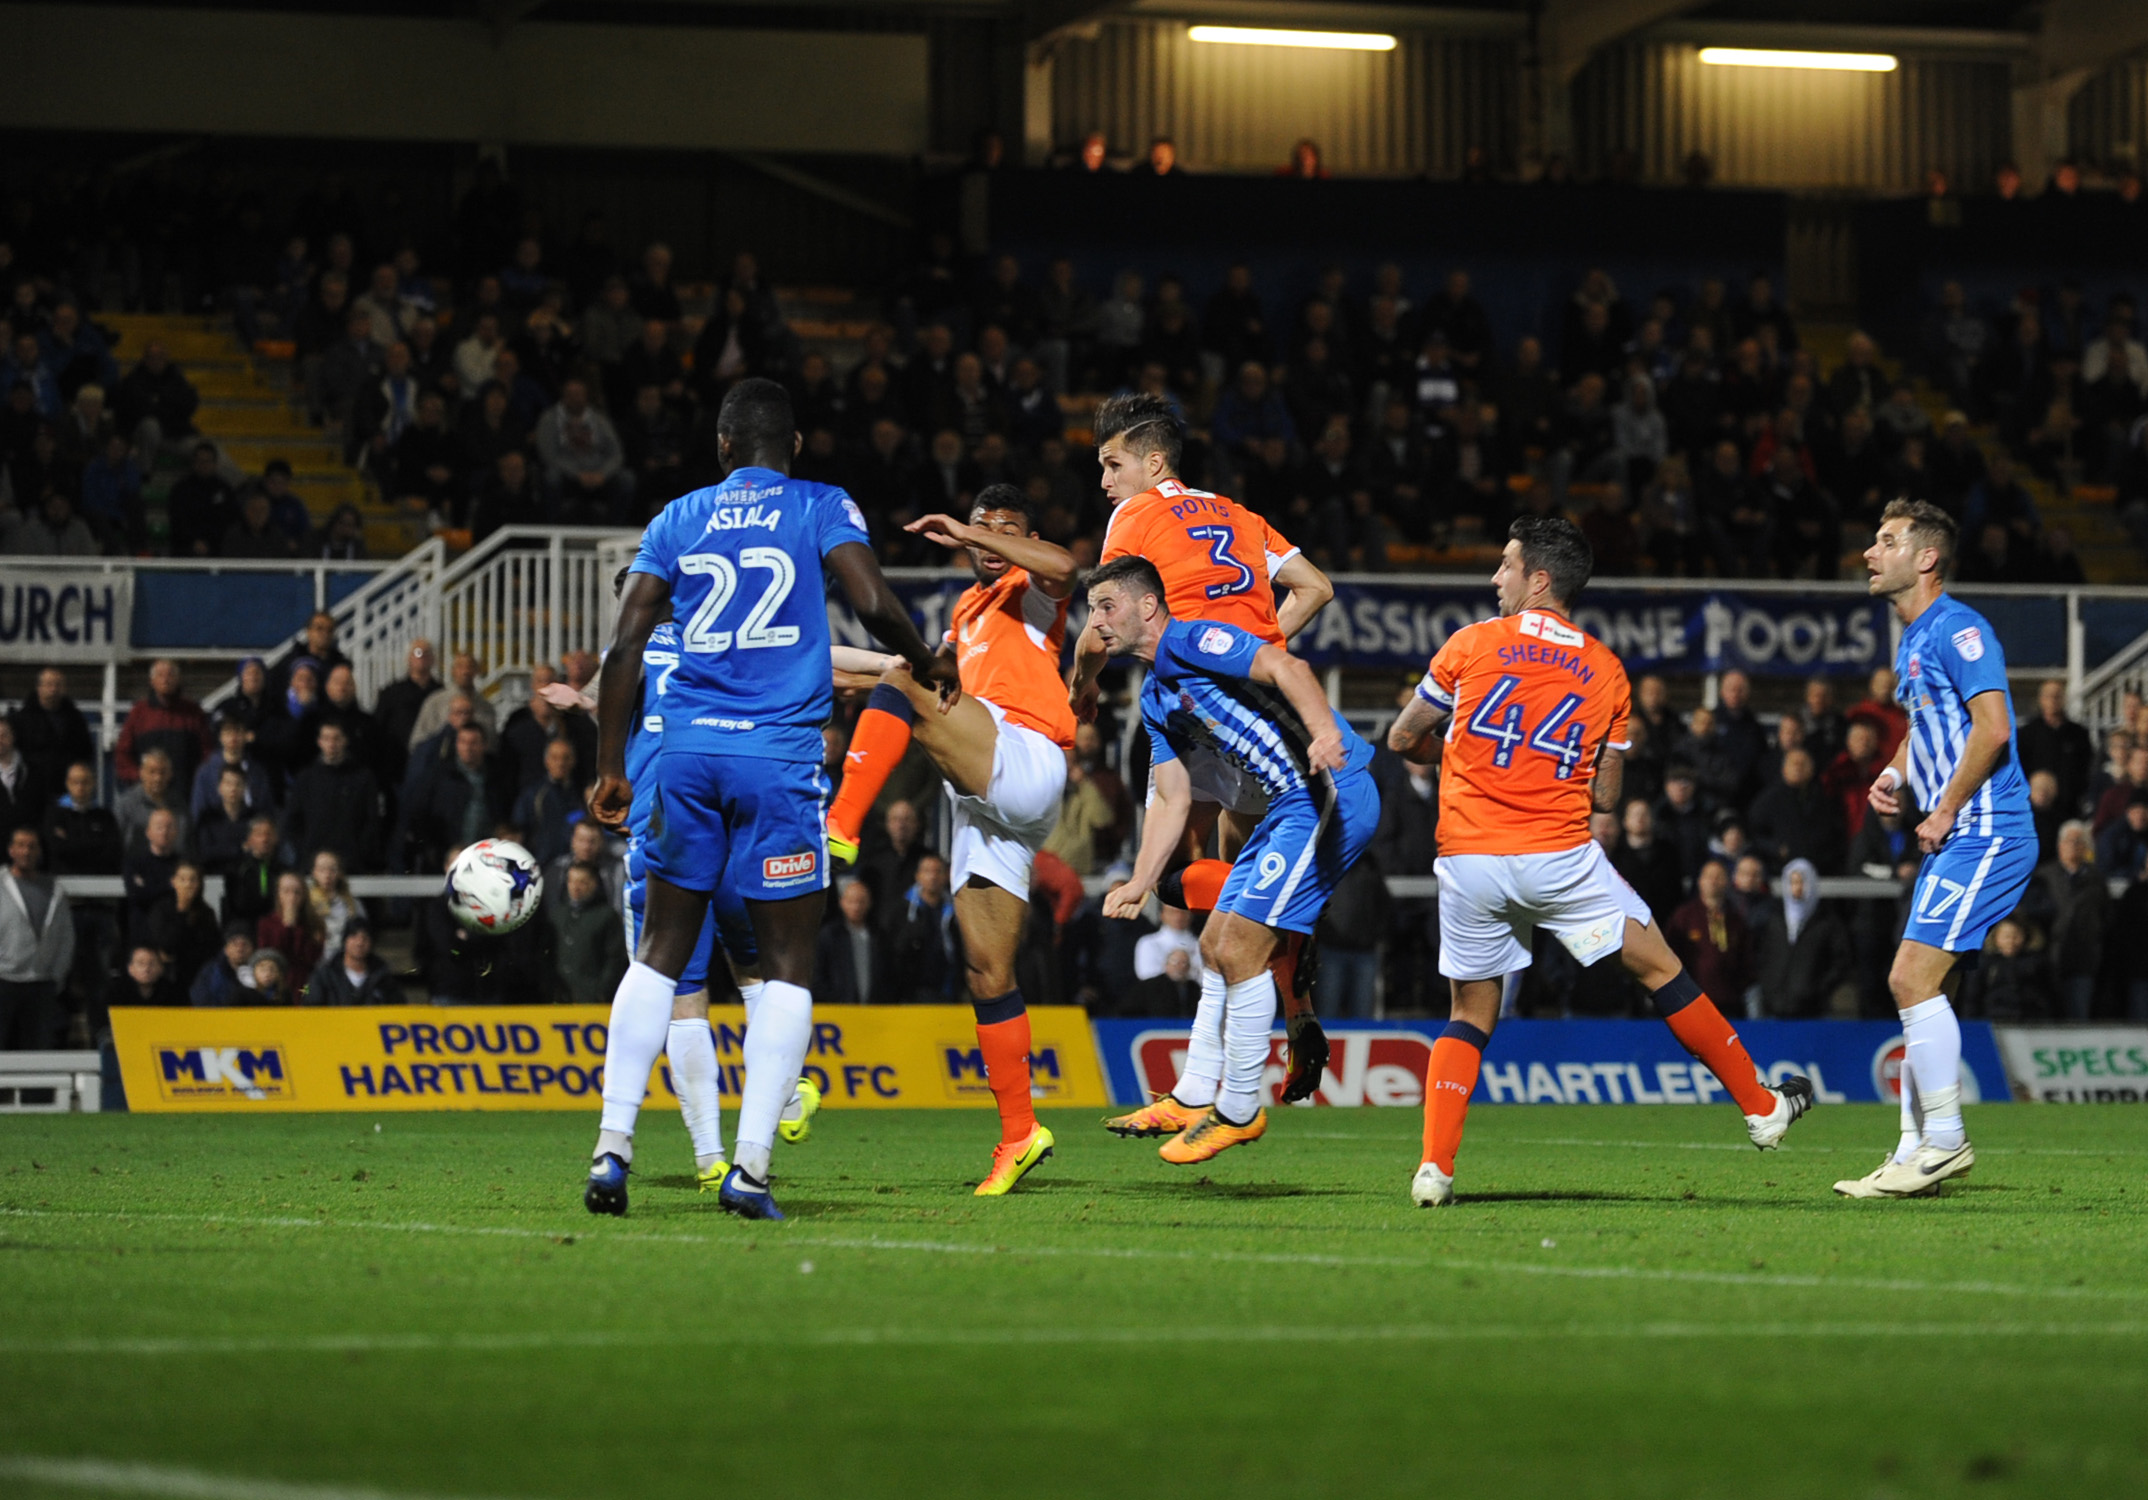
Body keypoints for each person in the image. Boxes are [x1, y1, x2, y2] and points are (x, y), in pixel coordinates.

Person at [584, 376, 950, 1219]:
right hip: (777, 760)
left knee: (661, 955)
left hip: (682, 758)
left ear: (720, 448)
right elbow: (869, 601)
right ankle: (748, 1168)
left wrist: (610, 765)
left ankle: (612, 1149)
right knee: (784, 966)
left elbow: (626, 645)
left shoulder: (676, 517)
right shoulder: (821, 503)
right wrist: (925, 658)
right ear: (794, 446)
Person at [1384, 516, 1810, 1206]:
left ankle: (1435, 1168)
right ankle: (1761, 1107)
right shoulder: (1607, 670)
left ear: (1539, 579)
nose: (1497, 577)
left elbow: (1404, 737)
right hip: (1558, 860)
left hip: (1470, 859)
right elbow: (1608, 796)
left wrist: (1464, 757)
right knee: (1661, 967)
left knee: (1470, 1011)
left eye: (1506, 565)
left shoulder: (1469, 644)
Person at [1065, 392, 1337, 1085]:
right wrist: (1258, 652)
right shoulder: (1234, 512)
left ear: (1154, 462)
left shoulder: (1133, 515)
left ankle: (1224, 1064)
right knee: (1242, 862)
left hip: (1195, 708)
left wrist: (1082, 687)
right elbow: (1315, 587)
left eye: (1113, 463)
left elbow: (1106, 619)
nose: (1105, 482)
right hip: (1263, 705)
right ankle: (1295, 995)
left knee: (1176, 881)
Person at [820, 484, 1077, 1191]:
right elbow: (894, 672)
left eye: (1005, 528)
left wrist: (979, 532)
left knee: (903, 684)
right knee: (986, 971)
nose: (989, 537)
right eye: (981, 527)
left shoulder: (1032, 590)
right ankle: (1020, 1133)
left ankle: (839, 826)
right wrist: (796, 656)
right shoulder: (965, 615)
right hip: (983, 799)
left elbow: (1063, 565)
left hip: (1024, 757)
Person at [1089, 554, 1381, 1164]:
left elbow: (1284, 662)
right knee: (1217, 942)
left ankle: (1241, 1108)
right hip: (1287, 808)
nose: (1096, 623)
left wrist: (1324, 731)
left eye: (1106, 607)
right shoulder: (1156, 697)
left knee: (1241, 946)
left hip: (1328, 790)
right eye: (1092, 611)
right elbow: (1172, 799)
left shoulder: (1194, 640)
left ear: (1148, 606)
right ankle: (1195, 1094)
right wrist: (1140, 880)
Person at [1837, 500, 2037, 1198]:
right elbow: (1927, 730)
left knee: (1908, 979)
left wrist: (1945, 805)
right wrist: (1894, 774)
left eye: (1886, 541)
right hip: (1960, 834)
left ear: (1925, 559)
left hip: (1986, 830)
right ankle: (1911, 1149)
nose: (1870, 552)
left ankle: (1946, 1142)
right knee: (1931, 989)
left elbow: (1994, 728)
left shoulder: (1961, 630)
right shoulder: (1915, 640)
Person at [1753, 859, 1854, 1017]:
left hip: (1811, 1010)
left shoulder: (1827, 922)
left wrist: (1818, 989)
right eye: (1792, 882)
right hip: (1774, 1007)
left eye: (1802, 882)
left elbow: (1840, 961)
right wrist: (1769, 985)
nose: (1797, 888)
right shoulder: (1775, 920)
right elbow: (1762, 955)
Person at [0, 827, 73, 1048]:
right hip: (4, 981)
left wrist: (55, 975)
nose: (26, 851)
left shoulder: (55, 891)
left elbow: (65, 938)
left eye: (32, 846)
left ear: (39, 851)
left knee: (39, 1050)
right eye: (21, 845)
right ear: (11, 850)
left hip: (41, 983)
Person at [115, 659, 209, 789]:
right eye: (160, 675)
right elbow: (123, 753)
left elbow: (207, 752)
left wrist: (198, 780)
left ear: (178, 679)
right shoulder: (139, 713)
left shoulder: (193, 712)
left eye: (170, 675)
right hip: (147, 795)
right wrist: (138, 777)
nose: (165, 680)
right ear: (152, 681)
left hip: (184, 794)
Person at [543, 861, 628, 1004]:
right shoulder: (556, 915)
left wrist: (602, 992)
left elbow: (615, 959)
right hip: (559, 999)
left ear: (594, 884)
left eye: (582, 882)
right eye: (572, 881)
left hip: (591, 1000)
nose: (576, 887)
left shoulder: (606, 916)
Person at [814, 877, 891, 1005]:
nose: (856, 907)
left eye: (861, 902)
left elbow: (888, 975)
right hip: (838, 1012)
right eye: (851, 901)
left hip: (875, 1011)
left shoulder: (879, 936)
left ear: (869, 903)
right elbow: (818, 976)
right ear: (842, 902)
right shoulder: (829, 935)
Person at [43, 762, 122, 876]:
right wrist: (94, 846)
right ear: (68, 784)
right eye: (75, 782)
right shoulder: (55, 816)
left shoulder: (105, 817)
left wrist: (71, 843)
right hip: (64, 880)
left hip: (98, 882)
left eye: (85, 782)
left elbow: (112, 852)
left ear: (93, 783)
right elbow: (56, 849)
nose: (80, 787)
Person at [305, 921, 407, 1006]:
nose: (359, 943)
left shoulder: (383, 975)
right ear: (345, 941)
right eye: (354, 936)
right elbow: (310, 1003)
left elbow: (399, 1007)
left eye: (365, 938)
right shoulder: (324, 975)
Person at [256, 869, 326, 981]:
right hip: (275, 982)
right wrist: (287, 928)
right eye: (286, 891)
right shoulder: (266, 923)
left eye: (297, 892)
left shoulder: (314, 923)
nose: (292, 897)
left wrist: (297, 930)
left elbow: (312, 958)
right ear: (278, 894)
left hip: (304, 982)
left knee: (307, 992)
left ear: (304, 896)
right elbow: (270, 956)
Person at [189, 923, 258, 1007]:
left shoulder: (260, 970)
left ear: (253, 949)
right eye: (235, 944)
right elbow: (199, 1000)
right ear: (226, 949)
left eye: (245, 944)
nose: (240, 949)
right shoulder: (210, 971)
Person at [1133, 903, 1203, 983]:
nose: (1178, 917)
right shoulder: (1148, 943)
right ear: (1162, 915)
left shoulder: (1201, 945)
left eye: (1183, 912)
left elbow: (1204, 979)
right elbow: (1146, 975)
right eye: (1172, 912)